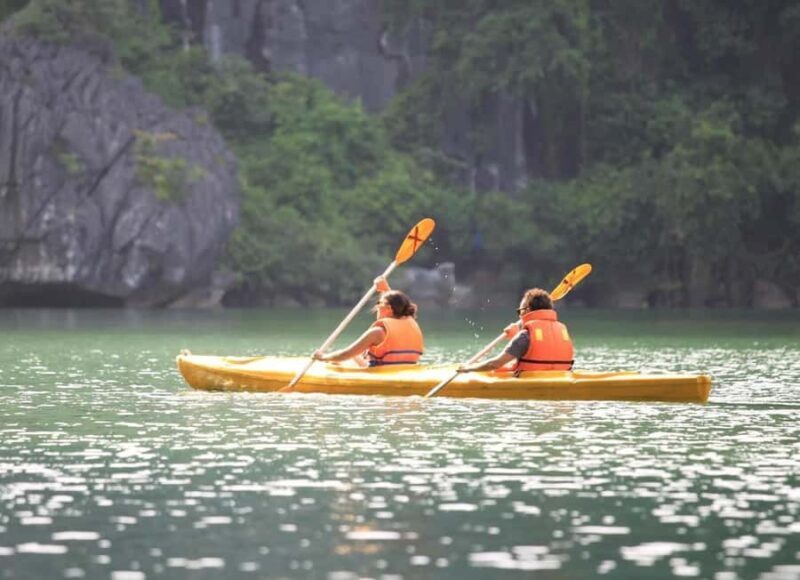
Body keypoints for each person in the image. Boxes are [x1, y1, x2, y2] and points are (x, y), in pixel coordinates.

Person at [458, 288, 573, 374]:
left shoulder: (524, 336)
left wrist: (469, 368)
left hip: (532, 380)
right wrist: (516, 335)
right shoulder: (562, 330)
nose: (519, 316)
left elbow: (495, 364)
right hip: (561, 376)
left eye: (520, 311)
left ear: (526, 310)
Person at [313, 277, 424, 367]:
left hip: (382, 375)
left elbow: (345, 354)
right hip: (407, 371)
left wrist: (322, 357)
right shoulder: (411, 322)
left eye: (378, 306)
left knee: (346, 357)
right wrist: (385, 289)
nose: (376, 310)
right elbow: (398, 304)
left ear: (389, 309)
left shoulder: (377, 333)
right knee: (357, 357)